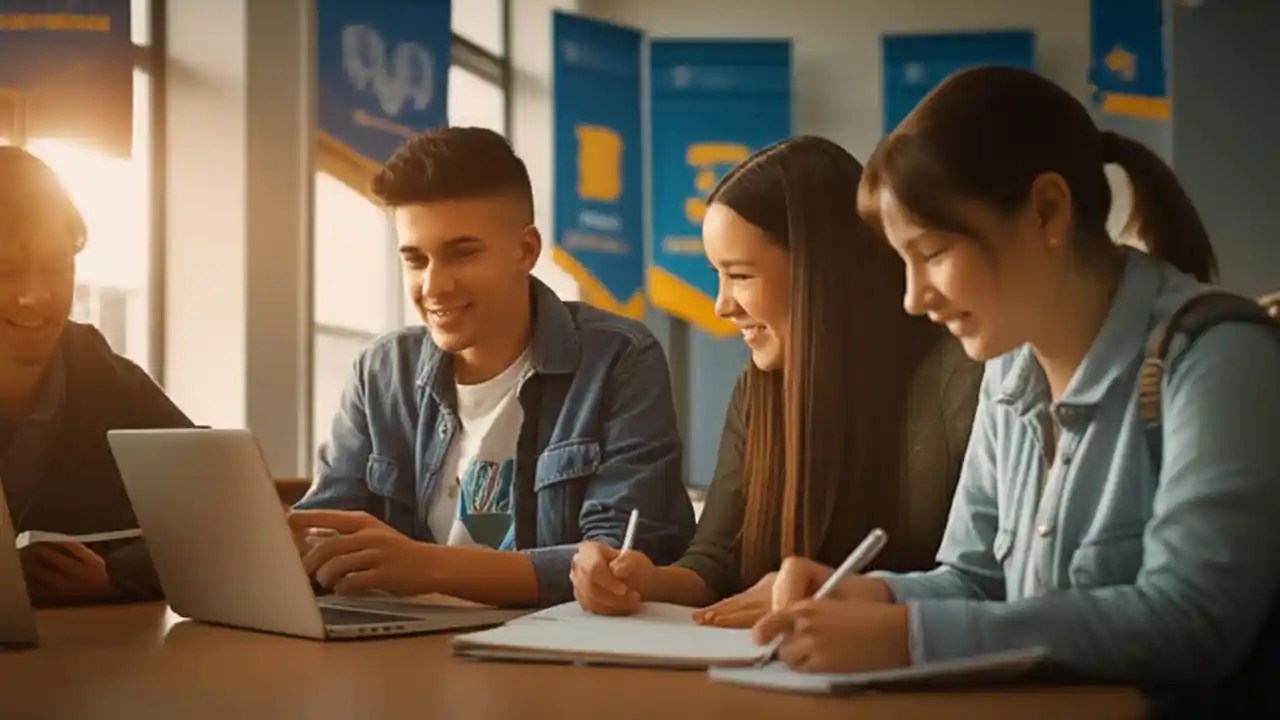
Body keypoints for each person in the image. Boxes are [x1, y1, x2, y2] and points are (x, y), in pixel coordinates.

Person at [754, 67, 1280, 692]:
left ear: (1047, 212)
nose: (913, 298)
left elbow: (1193, 621)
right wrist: (874, 596)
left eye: (933, 254)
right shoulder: (1008, 365)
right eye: (903, 263)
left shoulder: (1217, 356)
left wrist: (909, 637)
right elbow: (976, 582)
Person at [569, 136, 982, 625]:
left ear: (820, 272)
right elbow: (714, 563)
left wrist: (835, 599)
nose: (722, 305)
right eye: (717, 275)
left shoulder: (960, 378)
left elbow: (986, 585)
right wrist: (643, 580)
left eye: (740, 276)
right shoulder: (757, 389)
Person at [290, 127, 693, 608]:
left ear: (526, 251)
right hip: (404, 640)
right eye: (416, 260)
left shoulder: (620, 358)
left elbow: (616, 562)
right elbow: (321, 532)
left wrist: (425, 566)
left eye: (462, 253)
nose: (434, 286)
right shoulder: (380, 372)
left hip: (548, 645)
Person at [0, 146, 194, 606]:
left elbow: (219, 518)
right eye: (6, 272)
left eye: (56, 268)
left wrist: (116, 577)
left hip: (81, 644)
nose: (34, 296)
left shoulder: (108, 380)